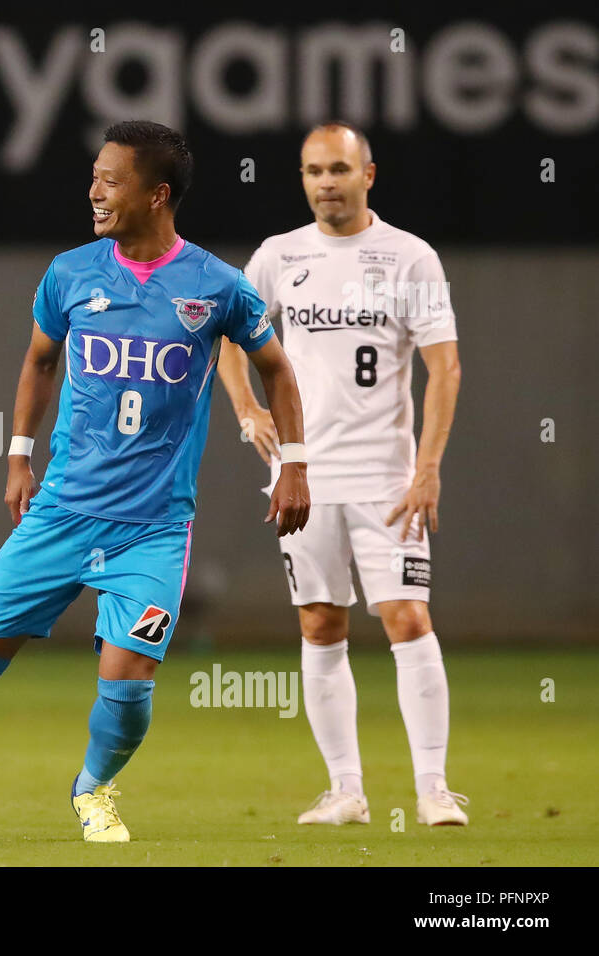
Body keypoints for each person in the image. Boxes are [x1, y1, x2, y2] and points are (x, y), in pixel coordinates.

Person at [0, 121, 309, 843]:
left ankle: (94, 788)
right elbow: (39, 361)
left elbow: (274, 365)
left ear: (158, 194)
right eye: (94, 176)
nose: (93, 191)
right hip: (60, 513)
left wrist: (295, 463)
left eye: (110, 180)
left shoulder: (217, 286)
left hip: (153, 527)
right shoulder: (70, 273)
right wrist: (19, 454)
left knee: (128, 688)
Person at [217, 121, 466, 826]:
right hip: (303, 478)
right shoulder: (278, 256)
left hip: (388, 480)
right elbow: (228, 340)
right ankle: (346, 791)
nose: (326, 182)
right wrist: (246, 411)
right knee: (322, 624)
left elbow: (443, 365)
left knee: (407, 618)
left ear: (368, 175)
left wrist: (428, 468)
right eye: (313, 171)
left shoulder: (410, 257)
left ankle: (433, 788)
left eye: (338, 169)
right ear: (302, 180)